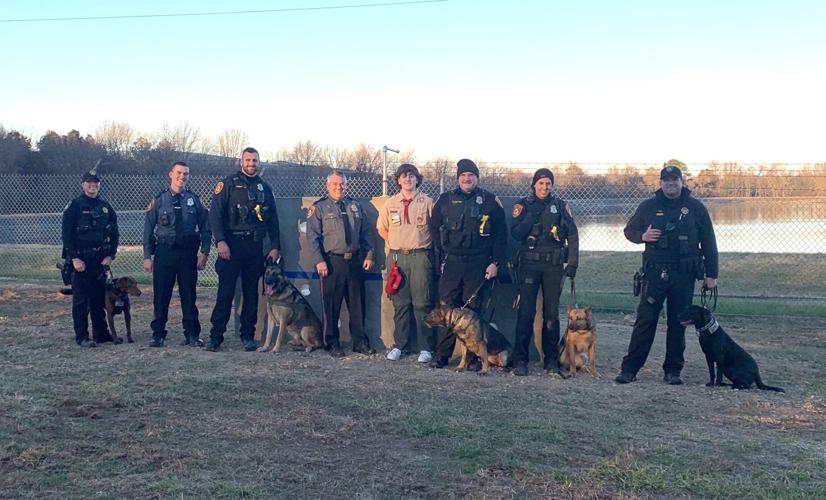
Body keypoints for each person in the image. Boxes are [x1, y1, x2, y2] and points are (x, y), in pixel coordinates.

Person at [615, 160, 719, 385]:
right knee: (645, 320)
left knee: (678, 322)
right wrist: (642, 236)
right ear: (661, 183)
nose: (671, 184)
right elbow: (629, 231)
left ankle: (673, 371)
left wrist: (712, 274)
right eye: (667, 180)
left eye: (675, 180)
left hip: (684, 272)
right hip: (654, 271)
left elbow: (709, 242)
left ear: (682, 182)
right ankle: (629, 369)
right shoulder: (648, 206)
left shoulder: (696, 208)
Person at [428, 159, 507, 369]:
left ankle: (472, 358)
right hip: (452, 262)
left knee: (473, 310)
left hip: (478, 263)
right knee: (446, 309)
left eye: (471, 175)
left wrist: (495, 263)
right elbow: (433, 227)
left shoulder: (490, 201)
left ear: (477, 178)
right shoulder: (445, 199)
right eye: (463, 175)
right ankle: (442, 355)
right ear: (458, 178)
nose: (467, 179)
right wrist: (442, 251)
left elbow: (501, 235)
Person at [206, 147, 280, 352]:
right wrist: (220, 241)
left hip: (254, 247)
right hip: (230, 246)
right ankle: (215, 337)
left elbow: (273, 220)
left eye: (254, 160)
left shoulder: (264, 188)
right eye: (248, 160)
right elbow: (215, 215)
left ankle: (248, 336)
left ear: (259, 162)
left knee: (251, 294)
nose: (251, 164)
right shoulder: (228, 184)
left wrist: (275, 246)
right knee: (225, 293)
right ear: (241, 162)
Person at [510, 168, 579, 376]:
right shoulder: (523, 205)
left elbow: (572, 234)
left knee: (551, 315)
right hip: (529, 265)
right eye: (541, 183)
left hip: (553, 266)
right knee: (526, 313)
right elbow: (516, 234)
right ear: (534, 185)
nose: (544, 187)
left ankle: (550, 360)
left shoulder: (560, 206)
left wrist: (573, 263)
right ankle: (520, 360)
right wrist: (530, 218)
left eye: (548, 183)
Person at [143, 161, 211, 348]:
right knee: (161, 295)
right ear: (171, 174)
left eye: (186, 174)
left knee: (189, 294)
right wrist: (147, 256)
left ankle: (192, 334)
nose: (182, 177)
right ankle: (158, 334)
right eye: (179, 173)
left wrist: (204, 253)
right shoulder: (159, 200)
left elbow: (206, 228)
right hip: (165, 251)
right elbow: (148, 229)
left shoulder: (194, 200)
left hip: (187, 252)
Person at [307, 171, 375, 357]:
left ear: (346, 185)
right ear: (328, 186)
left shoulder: (355, 206)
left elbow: (366, 233)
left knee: (357, 304)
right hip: (331, 262)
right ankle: (332, 342)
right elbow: (312, 237)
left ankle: (360, 342)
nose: (339, 187)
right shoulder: (319, 208)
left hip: (354, 261)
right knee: (331, 305)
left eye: (342, 184)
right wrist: (319, 261)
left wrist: (369, 255)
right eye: (335, 184)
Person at [377, 164, 436, 363]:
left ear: (417, 179)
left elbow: (435, 229)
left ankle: (425, 348)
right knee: (400, 303)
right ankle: (399, 345)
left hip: (420, 256)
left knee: (422, 303)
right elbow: (382, 229)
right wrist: (395, 242)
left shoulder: (427, 202)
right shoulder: (390, 203)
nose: (408, 180)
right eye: (404, 176)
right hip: (397, 257)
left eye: (411, 176)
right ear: (398, 180)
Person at [61, 169, 119, 347]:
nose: (92, 186)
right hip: (81, 260)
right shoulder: (75, 206)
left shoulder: (105, 207)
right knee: (81, 301)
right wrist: (74, 258)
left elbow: (115, 234)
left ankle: (101, 333)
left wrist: (110, 255)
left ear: (99, 185)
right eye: (89, 183)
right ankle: (82, 337)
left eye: (95, 183)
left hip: (99, 260)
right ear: (83, 184)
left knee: (98, 299)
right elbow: (67, 235)